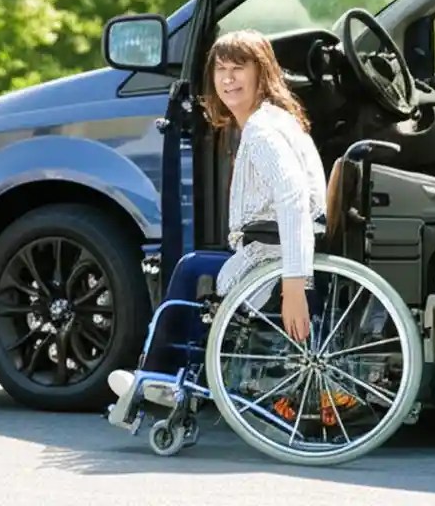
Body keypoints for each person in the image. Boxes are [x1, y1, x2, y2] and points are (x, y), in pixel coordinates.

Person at [106, 29, 329, 399]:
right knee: (193, 266)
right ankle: (169, 375)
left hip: (276, 249)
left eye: (238, 68)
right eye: (220, 69)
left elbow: (291, 201)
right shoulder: (269, 120)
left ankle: (162, 377)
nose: (227, 79)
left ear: (262, 73)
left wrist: (296, 284)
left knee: (191, 269)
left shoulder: (263, 133)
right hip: (272, 242)